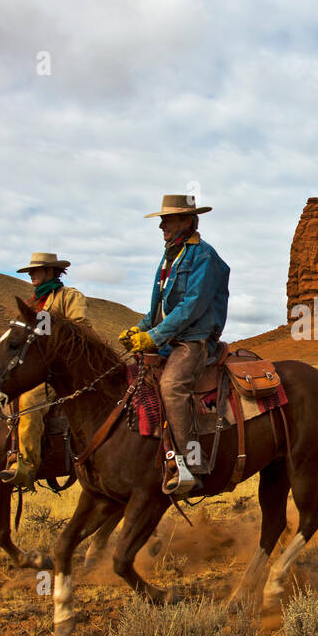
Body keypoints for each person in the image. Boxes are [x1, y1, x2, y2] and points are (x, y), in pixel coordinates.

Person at [121, 194, 230, 495]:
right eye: (161, 221)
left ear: (187, 221)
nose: (162, 226)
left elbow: (192, 306)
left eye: (167, 220)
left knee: (172, 388)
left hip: (192, 342)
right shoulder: (171, 256)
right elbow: (159, 307)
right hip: (169, 339)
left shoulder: (205, 257)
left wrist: (154, 337)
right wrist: (140, 329)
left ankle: (193, 465)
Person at [0, 252, 88, 490]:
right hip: (33, 370)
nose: (31, 275)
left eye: (36, 271)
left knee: (29, 400)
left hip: (59, 374)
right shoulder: (30, 304)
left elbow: (79, 331)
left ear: (51, 271)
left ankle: (26, 466)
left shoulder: (70, 297)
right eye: (30, 272)